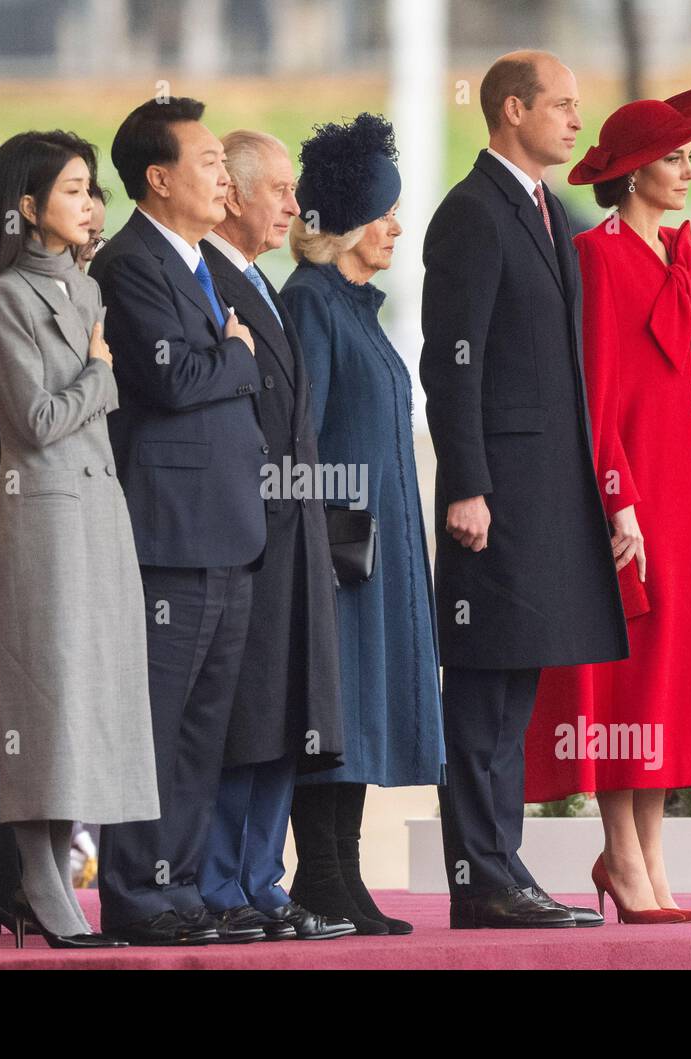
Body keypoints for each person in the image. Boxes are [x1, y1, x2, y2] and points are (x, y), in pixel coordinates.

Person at [522, 84, 691, 925]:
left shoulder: (680, 257)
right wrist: (620, 502)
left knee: (673, 689)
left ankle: (650, 859)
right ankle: (622, 855)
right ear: (634, 171)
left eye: (689, 158)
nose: (688, 171)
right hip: (637, 506)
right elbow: (595, 395)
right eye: (675, 158)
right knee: (630, 684)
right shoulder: (598, 257)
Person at [419, 51, 625, 931]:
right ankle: (482, 880)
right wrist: (466, 482)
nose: (578, 121)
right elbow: (449, 360)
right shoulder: (472, 212)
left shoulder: (545, 208)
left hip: (544, 496)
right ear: (512, 109)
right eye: (564, 105)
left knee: (515, 696)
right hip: (495, 496)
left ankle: (502, 870)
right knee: (482, 691)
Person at [0, 130, 159, 948]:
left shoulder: (84, 287)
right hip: (39, 514)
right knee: (44, 700)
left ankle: (56, 883)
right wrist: (103, 374)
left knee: (89, 698)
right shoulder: (4, 297)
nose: (92, 205)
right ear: (30, 208)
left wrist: (97, 366)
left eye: (92, 190)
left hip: (99, 516)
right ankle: (40, 885)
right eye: (75, 190)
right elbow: (35, 421)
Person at [88, 97, 269, 946]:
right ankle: (137, 891)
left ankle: (185, 886)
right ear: (157, 179)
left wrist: (224, 356)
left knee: (202, 730)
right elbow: (171, 381)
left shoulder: (203, 262)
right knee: (155, 726)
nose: (223, 174)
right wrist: (234, 354)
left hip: (228, 527)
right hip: (168, 530)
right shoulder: (129, 264)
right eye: (206, 161)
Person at [281, 112, 444, 937]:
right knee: (332, 710)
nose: (396, 226)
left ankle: (341, 875)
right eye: (385, 211)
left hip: (373, 549)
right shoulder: (310, 302)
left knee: (362, 711)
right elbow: (296, 432)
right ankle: (320, 875)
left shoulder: (354, 304)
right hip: (334, 548)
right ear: (344, 221)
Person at [197, 130, 353, 941]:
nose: (296, 206)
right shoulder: (209, 280)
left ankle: (262, 881)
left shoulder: (258, 280)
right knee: (244, 720)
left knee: (285, 718)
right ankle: (224, 884)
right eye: (281, 189)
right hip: (242, 537)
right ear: (235, 196)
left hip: (291, 538)